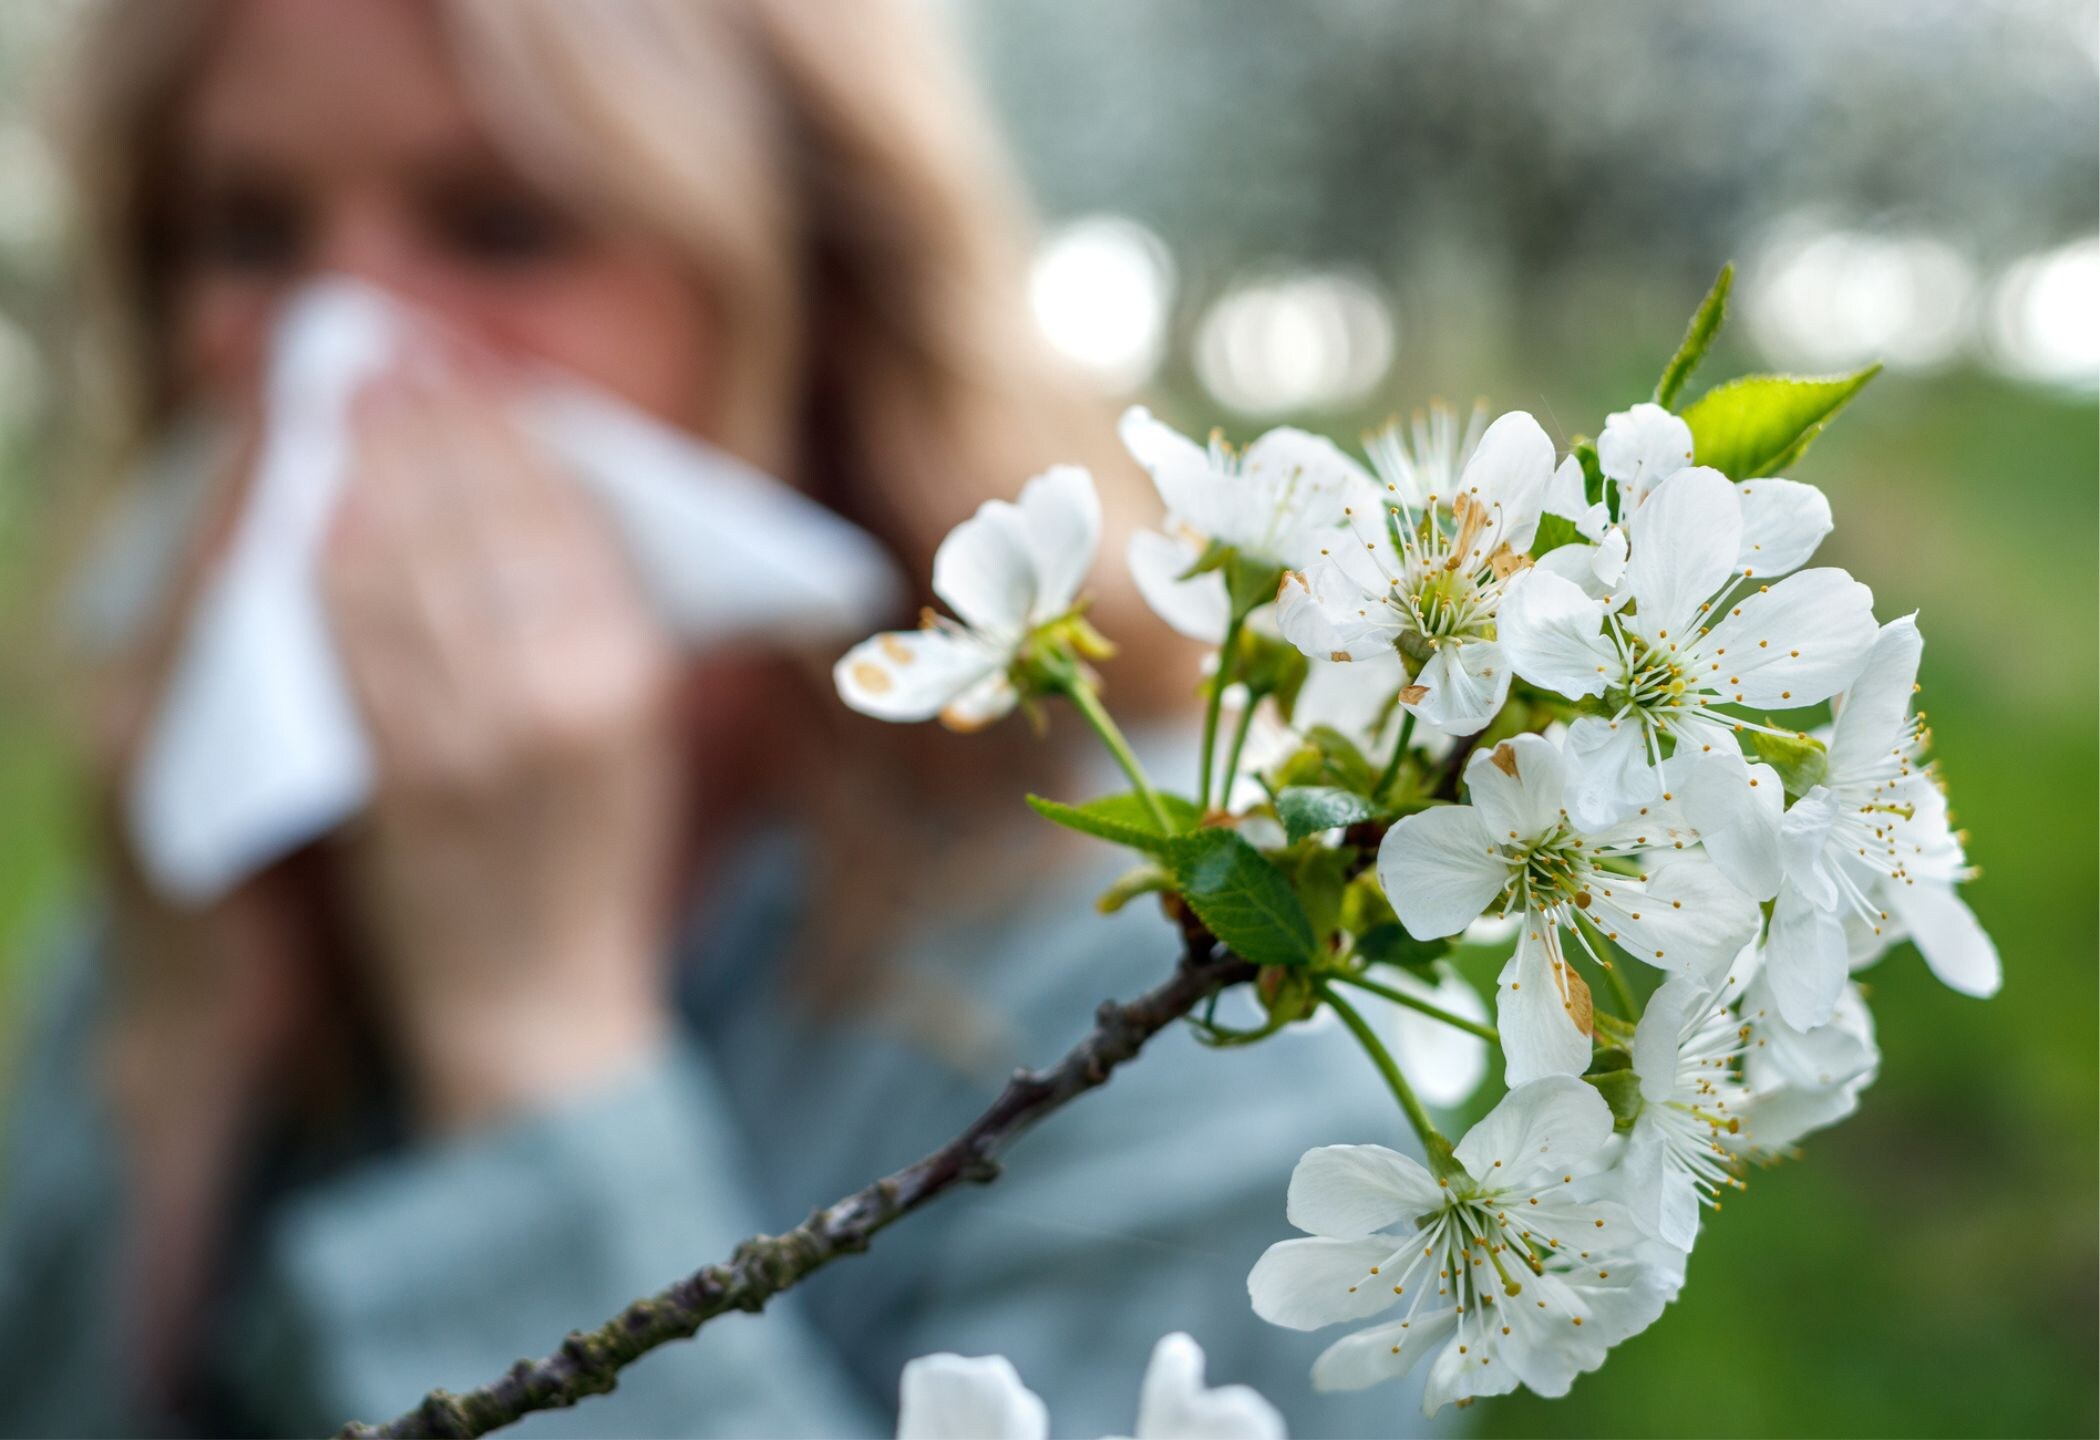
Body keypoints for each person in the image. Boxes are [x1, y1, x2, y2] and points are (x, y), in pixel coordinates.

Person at [0, 2, 1429, 1435]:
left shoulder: (1179, 986)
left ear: (815, 288)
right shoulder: (229, 853)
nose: (346, 348)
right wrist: (174, 1053)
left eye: (499, 224)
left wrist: (530, 1037)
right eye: (249, 231)